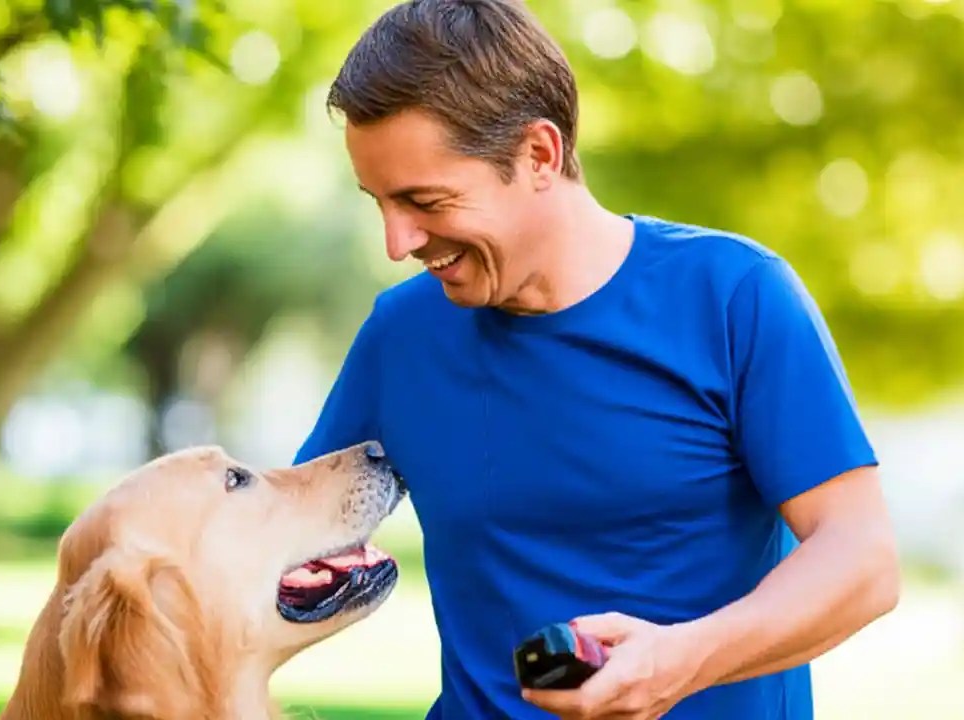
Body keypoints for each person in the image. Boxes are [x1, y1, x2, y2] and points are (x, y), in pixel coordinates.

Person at [293, 1, 901, 718]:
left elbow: (861, 561)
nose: (397, 243)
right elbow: (279, 539)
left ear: (540, 155)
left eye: (425, 201)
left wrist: (684, 660)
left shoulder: (735, 297)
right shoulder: (402, 336)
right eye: (380, 203)